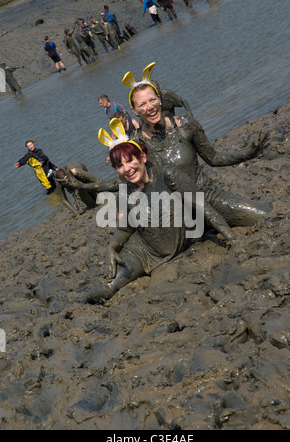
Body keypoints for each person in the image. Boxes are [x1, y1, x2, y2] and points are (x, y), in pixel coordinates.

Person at [77, 120, 236, 304]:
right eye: (120, 166)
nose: (127, 169)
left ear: (143, 157)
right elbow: (125, 229)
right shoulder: (125, 193)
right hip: (144, 249)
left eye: (130, 161)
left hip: (181, 239)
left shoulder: (167, 174)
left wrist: (232, 239)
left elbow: (204, 208)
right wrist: (112, 246)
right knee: (112, 284)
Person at [122, 62, 272, 228]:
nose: (150, 107)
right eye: (142, 104)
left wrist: (247, 154)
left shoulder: (186, 126)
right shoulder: (135, 145)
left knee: (267, 216)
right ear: (134, 110)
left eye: (152, 100)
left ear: (159, 99)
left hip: (210, 198)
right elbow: (131, 185)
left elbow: (214, 158)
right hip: (179, 218)